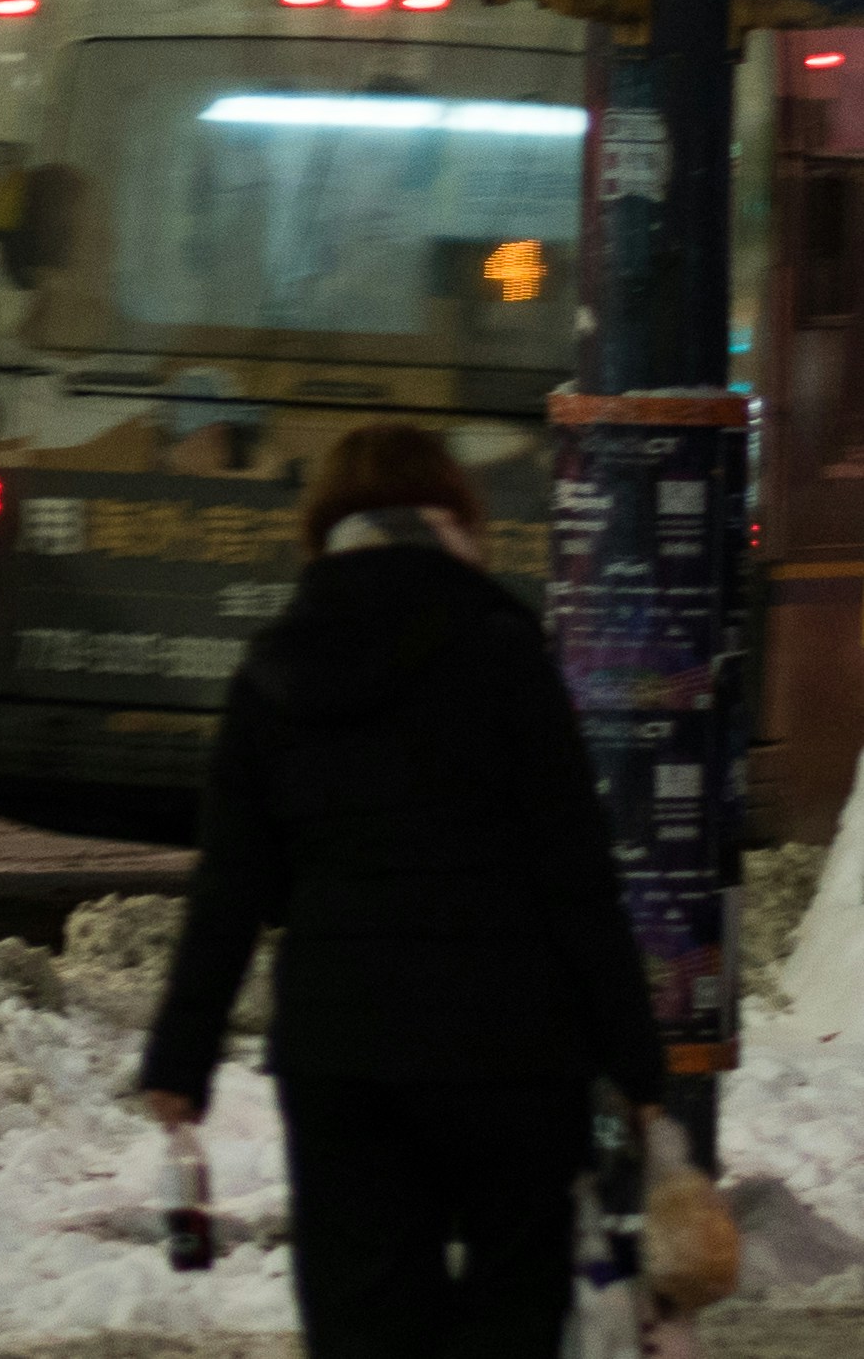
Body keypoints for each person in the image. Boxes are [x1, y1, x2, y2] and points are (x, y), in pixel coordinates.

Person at [138, 422, 671, 1358]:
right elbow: (575, 872)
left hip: (344, 1051)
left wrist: (181, 1060)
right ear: (451, 517)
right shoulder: (504, 650)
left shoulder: (274, 667)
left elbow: (231, 883)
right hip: (510, 1050)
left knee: (365, 1318)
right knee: (514, 1309)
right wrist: (636, 1066)